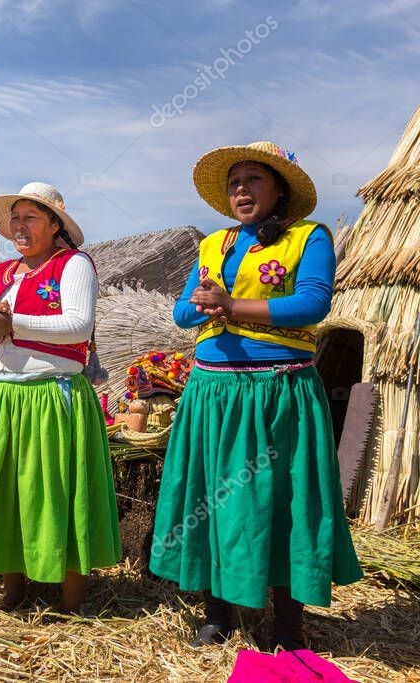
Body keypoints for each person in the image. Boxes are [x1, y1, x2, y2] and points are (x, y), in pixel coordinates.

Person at [150, 141, 363, 650]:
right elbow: (181, 312)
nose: (241, 190)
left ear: (279, 189)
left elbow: (313, 303)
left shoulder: (308, 237)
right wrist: (200, 307)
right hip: (212, 392)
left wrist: (233, 305)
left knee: (285, 498)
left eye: (254, 180)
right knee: (212, 497)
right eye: (234, 182)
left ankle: (288, 625)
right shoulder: (213, 246)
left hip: (278, 389)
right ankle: (217, 612)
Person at [0, 182, 121, 612]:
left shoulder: (74, 265)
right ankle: (14, 591)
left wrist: (13, 325)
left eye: (31, 217)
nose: (20, 226)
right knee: (7, 491)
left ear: (54, 224)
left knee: (56, 491)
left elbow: (78, 325)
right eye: (16, 218)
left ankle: (71, 601)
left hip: (51, 397)